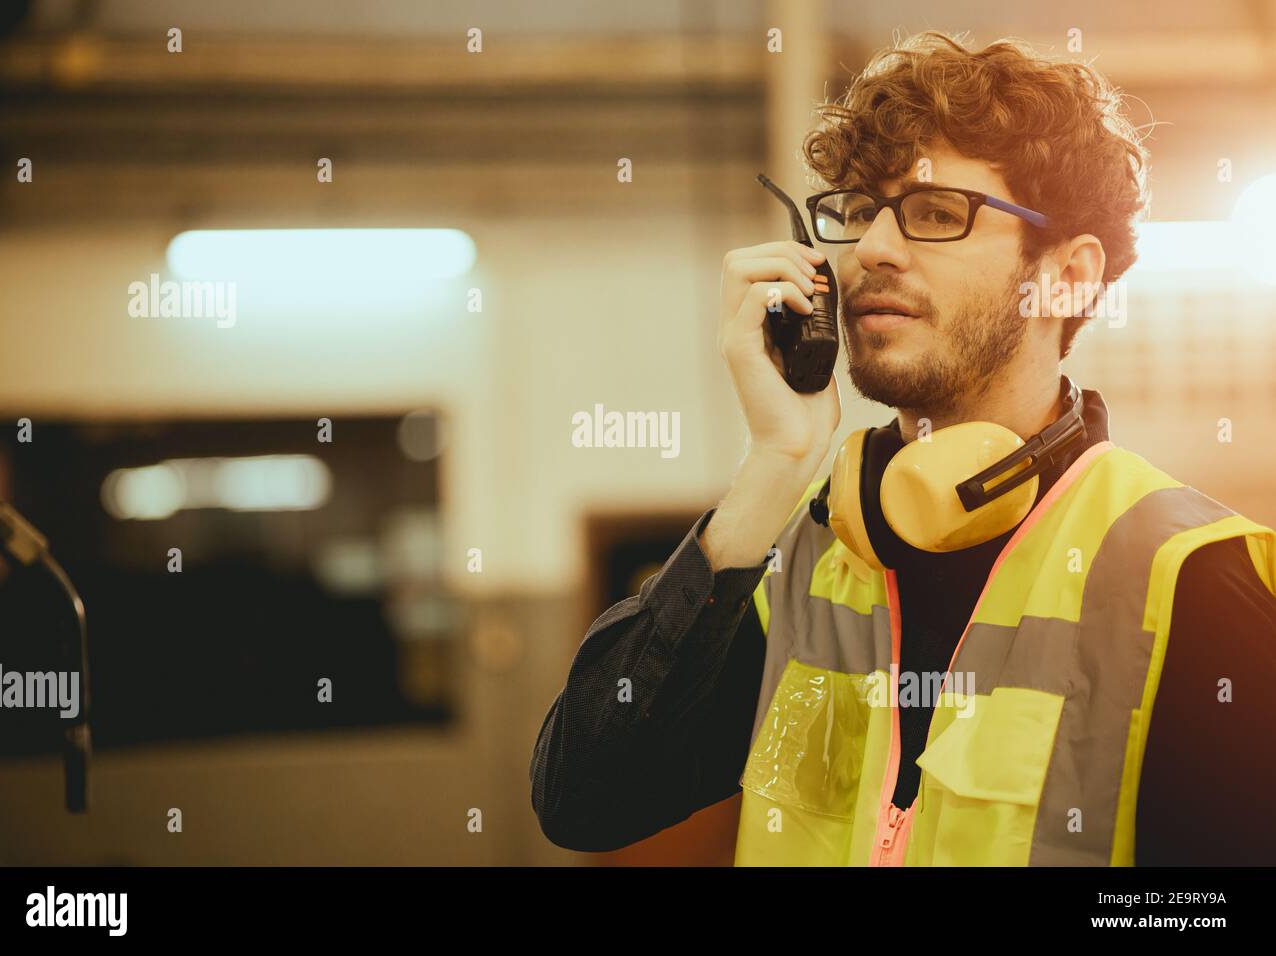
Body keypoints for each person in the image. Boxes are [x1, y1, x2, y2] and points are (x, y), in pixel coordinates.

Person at [530, 32, 1276, 866]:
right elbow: (582, 800)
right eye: (857, 212)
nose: (873, 251)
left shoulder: (1192, 576)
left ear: (1066, 273)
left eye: (933, 214)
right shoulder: (804, 560)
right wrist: (774, 464)